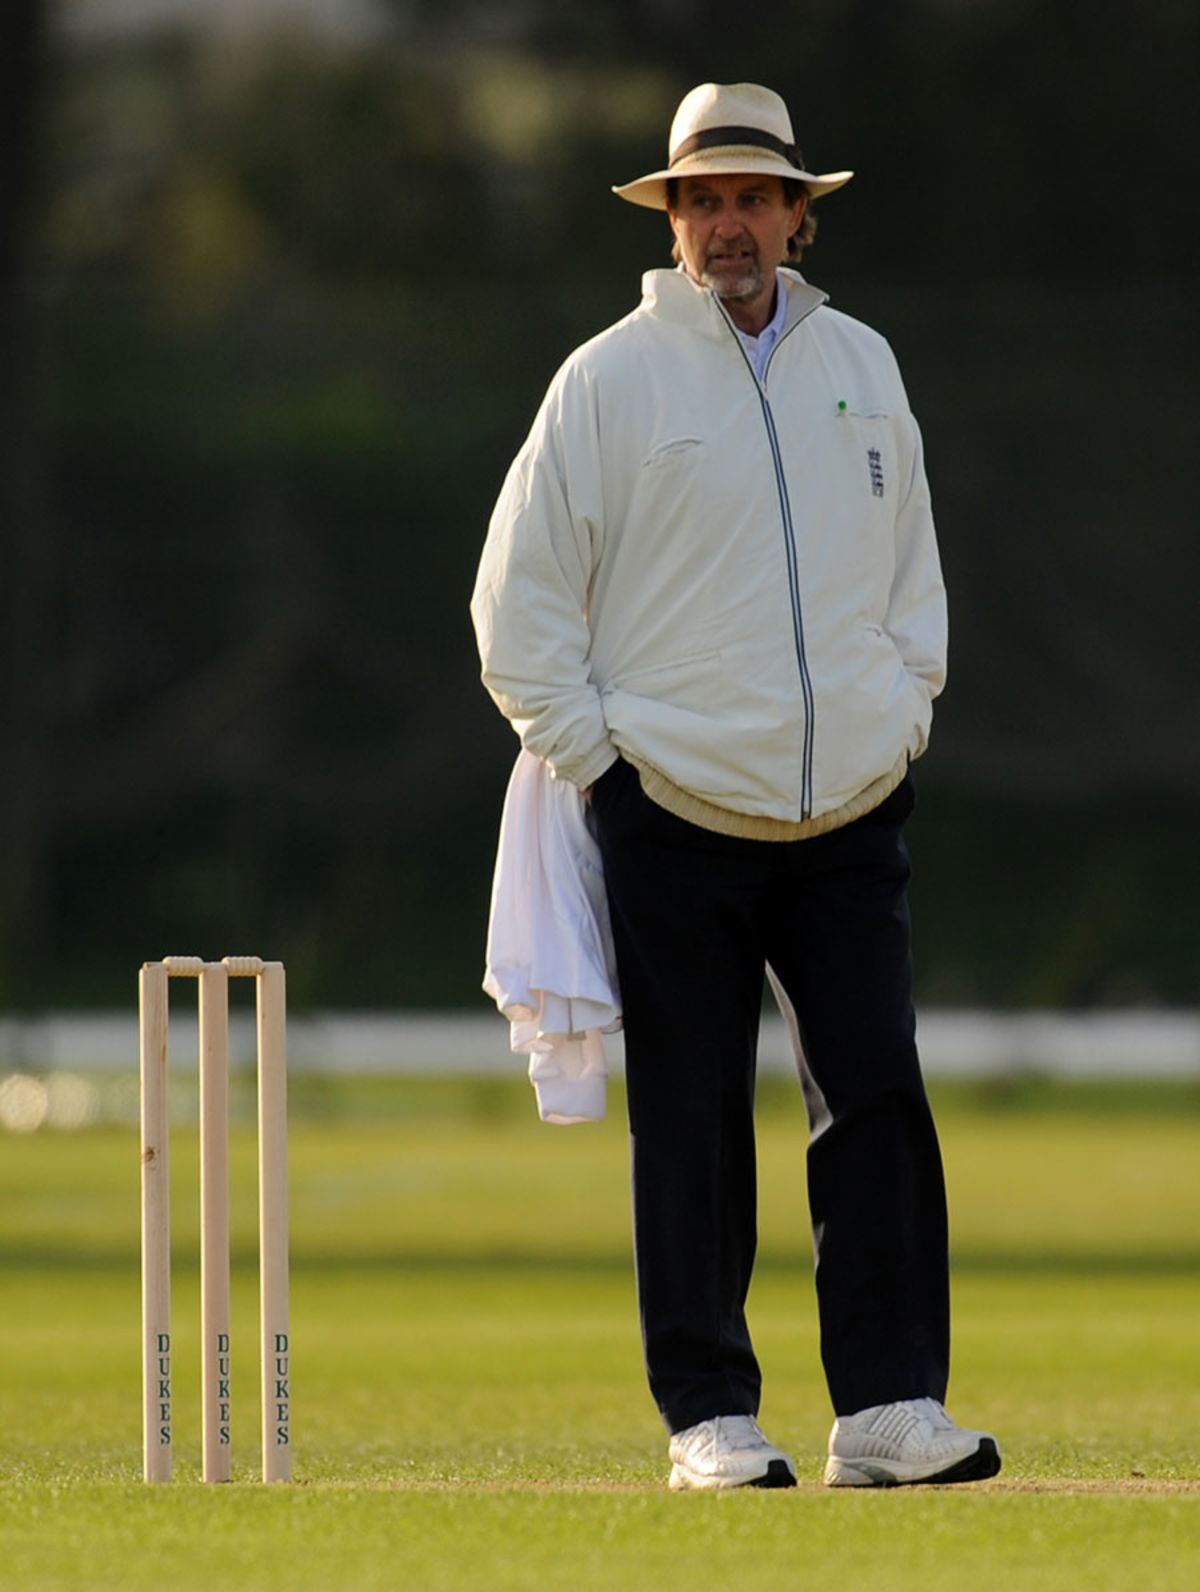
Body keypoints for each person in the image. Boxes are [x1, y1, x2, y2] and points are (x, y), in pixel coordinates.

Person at [470, 81, 1000, 1490]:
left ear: (800, 217)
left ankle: (890, 1408)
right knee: (695, 1114)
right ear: (672, 218)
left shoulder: (864, 364)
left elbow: (911, 571)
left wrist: (907, 710)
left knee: (877, 1100)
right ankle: (709, 1413)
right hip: (677, 810)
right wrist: (609, 769)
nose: (727, 225)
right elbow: (518, 612)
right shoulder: (610, 379)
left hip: (849, 809)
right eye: (701, 200)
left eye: (753, 198)